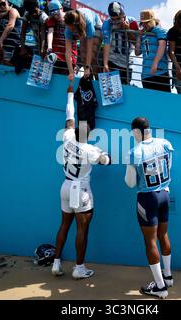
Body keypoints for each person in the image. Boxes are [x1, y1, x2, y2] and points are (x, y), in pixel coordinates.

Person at [51, 85, 111, 279]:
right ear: (87, 136)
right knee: (82, 230)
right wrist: (106, 156)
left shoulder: (68, 138)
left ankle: (56, 263)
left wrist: (70, 95)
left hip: (65, 185)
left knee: (63, 225)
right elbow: (106, 161)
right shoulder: (89, 150)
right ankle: (79, 268)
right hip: (81, 189)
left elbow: (69, 117)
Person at [125, 117, 174, 299]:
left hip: (147, 198)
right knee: (164, 235)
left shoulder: (135, 152)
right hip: (165, 194)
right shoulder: (165, 144)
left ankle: (160, 287)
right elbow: (169, 167)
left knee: (150, 241)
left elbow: (130, 183)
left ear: (136, 132)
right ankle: (167, 276)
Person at [101, 1, 139, 84]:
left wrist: (127, 30)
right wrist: (105, 64)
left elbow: (137, 46)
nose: (116, 22)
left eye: (118, 19)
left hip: (127, 64)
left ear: (123, 15)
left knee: (125, 90)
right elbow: (106, 44)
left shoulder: (132, 22)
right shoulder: (107, 24)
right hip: (113, 62)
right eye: (113, 19)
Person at [135, 9, 170, 92]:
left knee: (165, 102)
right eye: (142, 22)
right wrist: (139, 37)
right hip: (146, 75)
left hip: (160, 73)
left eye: (147, 22)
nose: (144, 25)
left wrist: (155, 64)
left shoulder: (160, 31)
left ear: (153, 21)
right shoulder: (143, 35)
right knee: (150, 103)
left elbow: (162, 44)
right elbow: (137, 52)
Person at [64, 8, 103, 80]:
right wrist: (71, 72)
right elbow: (68, 52)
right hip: (80, 26)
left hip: (97, 26)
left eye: (71, 29)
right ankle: (89, 80)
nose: (69, 30)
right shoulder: (68, 28)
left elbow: (89, 49)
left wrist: (87, 67)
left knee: (92, 57)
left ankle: (98, 80)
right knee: (83, 56)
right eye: (68, 27)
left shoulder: (89, 22)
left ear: (75, 25)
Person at [45, 0, 77, 75]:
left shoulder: (71, 18)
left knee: (68, 78)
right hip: (57, 55)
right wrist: (49, 46)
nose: (55, 16)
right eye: (52, 14)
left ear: (61, 9)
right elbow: (50, 32)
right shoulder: (51, 20)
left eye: (56, 13)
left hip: (70, 55)